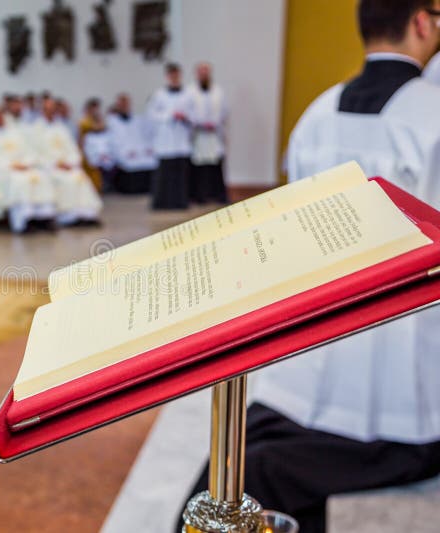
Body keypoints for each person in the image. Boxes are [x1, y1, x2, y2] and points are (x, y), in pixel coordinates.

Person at [176, 2, 440, 532]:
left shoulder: (317, 115)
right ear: (420, 21)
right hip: (405, 375)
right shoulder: (433, 112)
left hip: (316, 352)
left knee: (236, 474)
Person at [0, 106, 56, 232]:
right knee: (18, 181)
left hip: (21, 168)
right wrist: (10, 166)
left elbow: (28, 151)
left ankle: (43, 218)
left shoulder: (13, 133)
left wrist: (25, 163)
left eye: (2, 116)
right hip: (2, 171)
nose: (0, 119)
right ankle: (21, 223)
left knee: (40, 176)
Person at [28, 96, 103, 226]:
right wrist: (55, 164)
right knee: (64, 180)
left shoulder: (61, 128)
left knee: (79, 177)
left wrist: (71, 163)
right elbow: (34, 153)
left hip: (67, 166)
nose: (51, 112)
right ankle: (65, 217)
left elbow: (72, 149)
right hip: (50, 167)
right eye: (47, 109)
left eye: (53, 109)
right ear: (42, 110)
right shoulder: (35, 129)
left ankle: (84, 214)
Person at [147, 62, 193, 209]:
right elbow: (151, 114)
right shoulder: (158, 94)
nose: (174, 77)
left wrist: (185, 116)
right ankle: (161, 202)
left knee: (180, 174)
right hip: (165, 139)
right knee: (163, 174)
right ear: (167, 76)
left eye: (176, 75)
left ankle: (180, 202)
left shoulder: (188, 94)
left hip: (181, 138)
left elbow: (194, 113)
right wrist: (170, 115)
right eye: (171, 75)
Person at [187, 62, 228, 204]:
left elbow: (224, 111)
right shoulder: (190, 91)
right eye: (201, 72)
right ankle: (199, 196)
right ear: (197, 74)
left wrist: (214, 123)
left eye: (206, 72)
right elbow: (188, 111)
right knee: (199, 166)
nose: (204, 75)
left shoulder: (218, 91)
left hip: (214, 134)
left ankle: (219, 195)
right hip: (198, 134)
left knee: (216, 165)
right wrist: (199, 122)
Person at [106, 93, 156, 194]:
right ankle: (129, 188)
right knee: (130, 161)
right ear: (118, 105)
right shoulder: (111, 121)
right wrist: (125, 151)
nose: (125, 106)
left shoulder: (137, 119)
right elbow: (112, 141)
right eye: (122, 103)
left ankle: (148, 188)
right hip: (122, 150)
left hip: (139, 148)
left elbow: (144, 136)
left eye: (126, 103)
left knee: (150, 159)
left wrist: (147, 148)